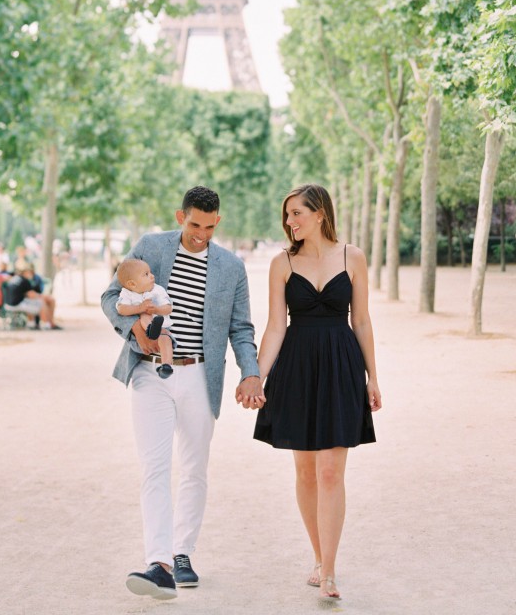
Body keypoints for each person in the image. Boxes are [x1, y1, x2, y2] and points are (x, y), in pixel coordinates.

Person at [101, 185, 264, 601]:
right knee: (154, 467)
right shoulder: (151, 247)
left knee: (194, 469)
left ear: (218, 222)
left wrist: (251, 373)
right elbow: (111, 296)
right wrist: (135, 330)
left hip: (200, 376)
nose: (201, 235)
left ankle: (182, 553)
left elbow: (241, 328)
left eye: (209, 227)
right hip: (148, 372)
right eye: (194, 225)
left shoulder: (231, 267)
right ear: (180, 217)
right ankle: (157, 564)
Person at [253, 184, 382, 602]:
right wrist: (256, 377)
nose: (290, 221)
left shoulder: (352, 256)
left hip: (341, 365)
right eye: (287, 214)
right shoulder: (282, 263)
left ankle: (329, 571)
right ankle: (318, 555)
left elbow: (361, 321)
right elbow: (276, 326)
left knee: (331, 472)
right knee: (306, 472)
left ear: (320, 213)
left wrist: (373, 377)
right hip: (297, 367)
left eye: (297, 213)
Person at [115, 258, 176, 380]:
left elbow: (168, 308)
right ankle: (150, 329)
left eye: (150, 272)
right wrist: (140, 308)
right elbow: (121, 309)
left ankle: (166, 366)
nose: (152, 276)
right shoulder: (127, 293)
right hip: (141, 337)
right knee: (144, 314)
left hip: (162, 329)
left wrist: (156, 309)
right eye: (146, 274)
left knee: (166, 339)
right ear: (132, 284)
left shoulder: (157, 290)